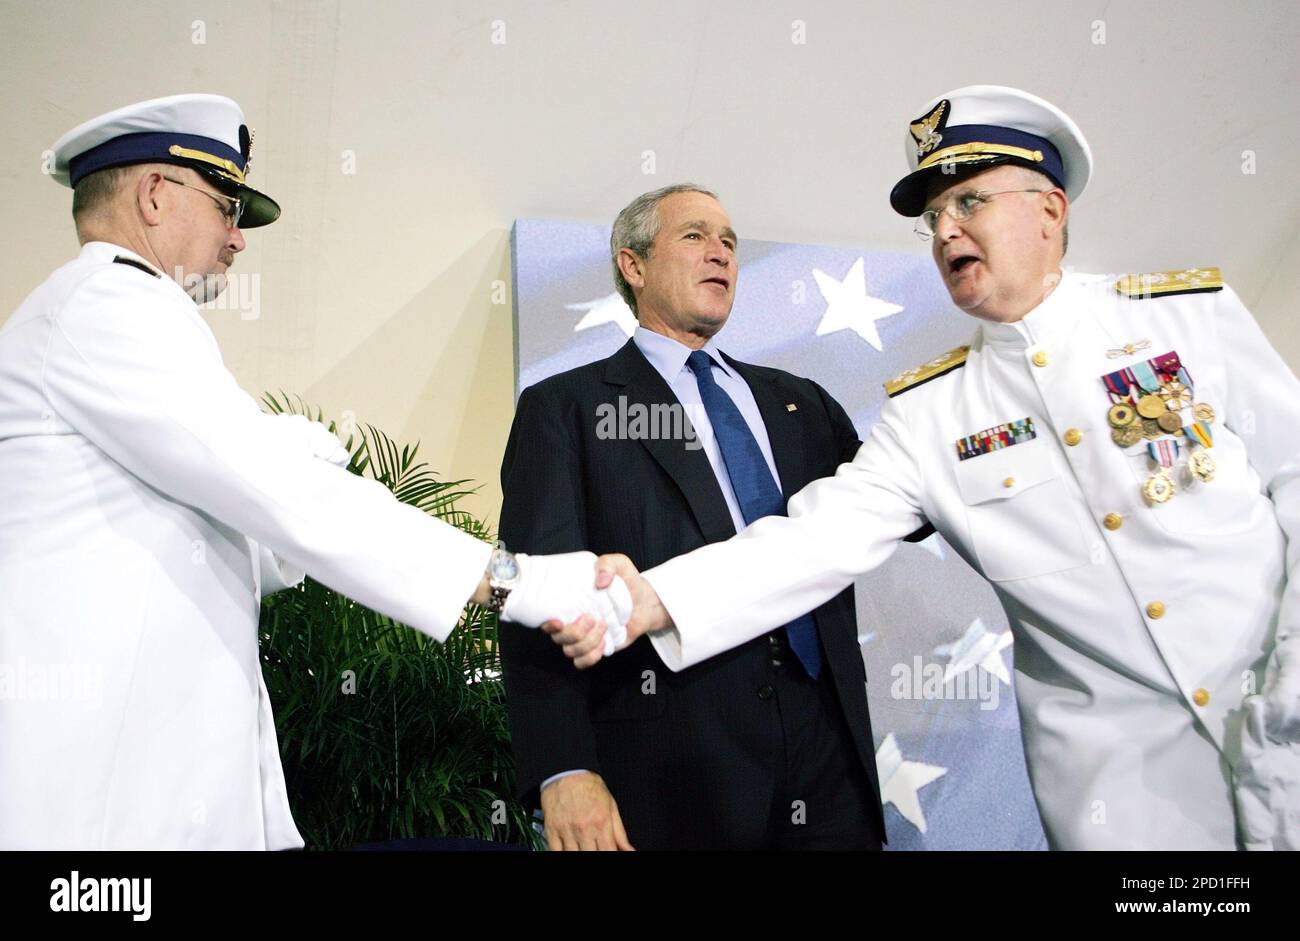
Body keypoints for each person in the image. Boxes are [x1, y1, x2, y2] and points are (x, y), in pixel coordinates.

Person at [551, 85, 1300, 850]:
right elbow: (812, 542)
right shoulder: (929, 415)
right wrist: (654, 598)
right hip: (1132, 802)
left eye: (969, 201)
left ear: (1050, 210)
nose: (946, 231)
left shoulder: (1188, 316)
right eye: (933, 218)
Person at [0, 94, 627, 850]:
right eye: (228, 205)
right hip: (101, 807)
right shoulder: (109, 303)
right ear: (156, 195)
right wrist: (518, 580)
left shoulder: (115, 319)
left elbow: (245, 538)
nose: (238, 239)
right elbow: (276, 489)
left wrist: (292, 455)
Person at [498, 184, 886, 850]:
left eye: (730, 241)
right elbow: (537, 600)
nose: (721, 254)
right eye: (695, 236)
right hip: (673, 775)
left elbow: (900, 509)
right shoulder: (567, 407)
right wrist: (565, 767)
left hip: (829, 763)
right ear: (634, 264)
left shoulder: (803, 404)